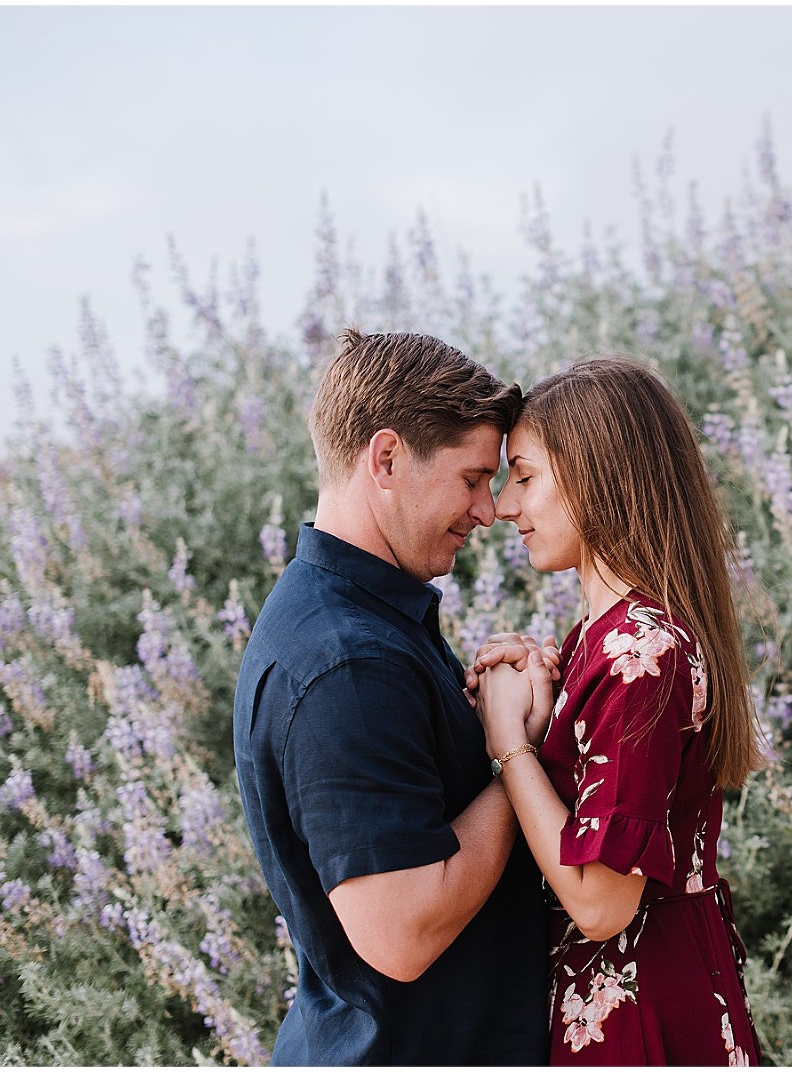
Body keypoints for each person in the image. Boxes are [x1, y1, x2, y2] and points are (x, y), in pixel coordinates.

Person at [233, 328, 548, 1064]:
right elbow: (401, 933)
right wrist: (520, 752)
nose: (488, 509)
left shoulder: (360, 618)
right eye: (472, 477)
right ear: (386, 458)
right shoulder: (347, 664)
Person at [470, 354, 766, 1065]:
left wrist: (509, 743)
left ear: (599, 475)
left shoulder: (640, 654)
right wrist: (542, 720)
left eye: (526, 475)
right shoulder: (605, 642)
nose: (506, 505)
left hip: (639, 1012)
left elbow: (601, 904)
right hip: (641, 994)